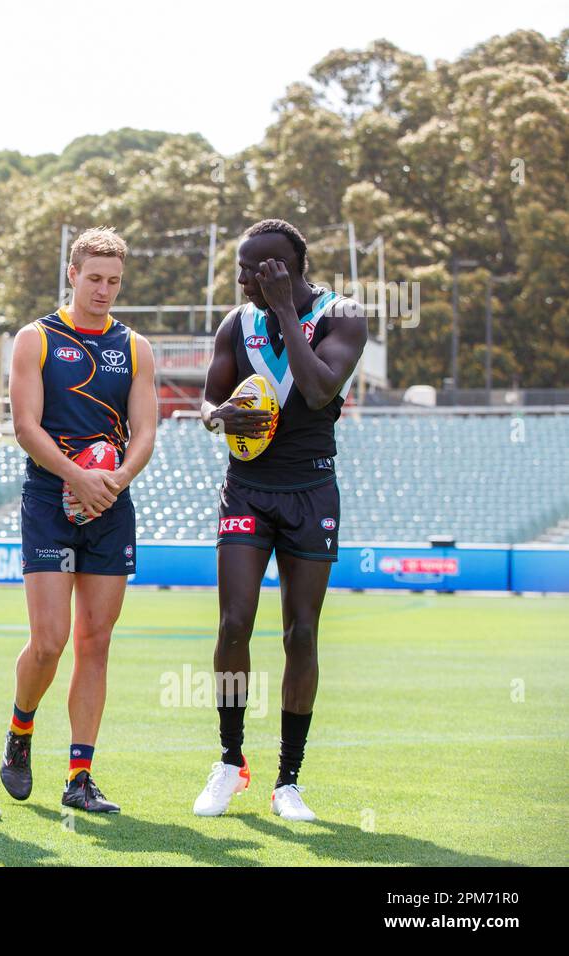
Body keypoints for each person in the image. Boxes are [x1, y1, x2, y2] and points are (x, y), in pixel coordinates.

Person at [192, 218, 366, 822]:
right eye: (241, 267)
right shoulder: (235, 324)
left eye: (256, 268)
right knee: (235, 622)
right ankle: (229, 760)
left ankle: (287, 780)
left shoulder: (343, 315)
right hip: (248, 490)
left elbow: (320, 391)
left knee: (302, 633)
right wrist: (221, 418)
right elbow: (208, 403)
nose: (243, 278)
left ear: (287, 269)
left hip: (311, 490)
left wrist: (285, 311)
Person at [0, 227, 157, 813]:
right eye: (94, 278)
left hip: (110, 504)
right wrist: (76, 475)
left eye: (114, 281)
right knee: (50, 641)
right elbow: (25, 427)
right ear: (72, 274)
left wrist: (112, 481)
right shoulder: (35, 339)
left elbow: (145, 433)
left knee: (95, 642)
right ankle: (20, 731)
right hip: (49, 498)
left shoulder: (136, 347)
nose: (104, 291)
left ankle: (80, 776)